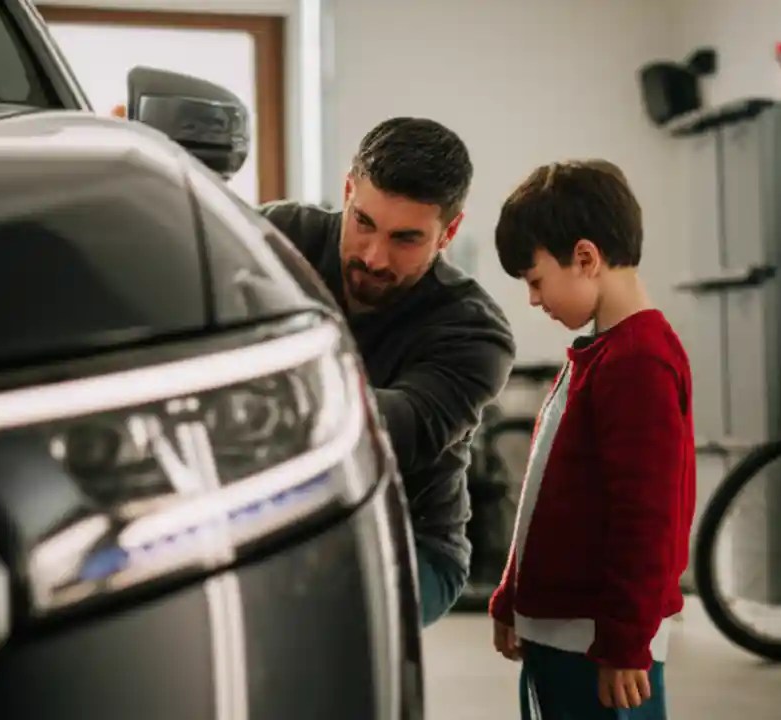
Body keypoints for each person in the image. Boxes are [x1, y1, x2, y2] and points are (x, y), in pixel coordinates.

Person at [259, 117, 516, 627]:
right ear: (349, 190)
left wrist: (256, 389)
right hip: (270, 517)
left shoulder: (475, 333)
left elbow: (384, 432)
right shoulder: (276, 239)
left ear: (450, 232)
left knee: (307, 619)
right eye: (364, 223)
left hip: (406, 537)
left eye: (406, 239)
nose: (374, 257)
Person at [488, 159, 695, 719]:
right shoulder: (597, 354)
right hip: (564, 635)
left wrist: (626, 641)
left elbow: (647, 518)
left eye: (535, 280)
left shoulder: (639, 362)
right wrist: (513, 598)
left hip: (600, 644)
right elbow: (542, 495)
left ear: (585, 258)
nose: (533, 298)